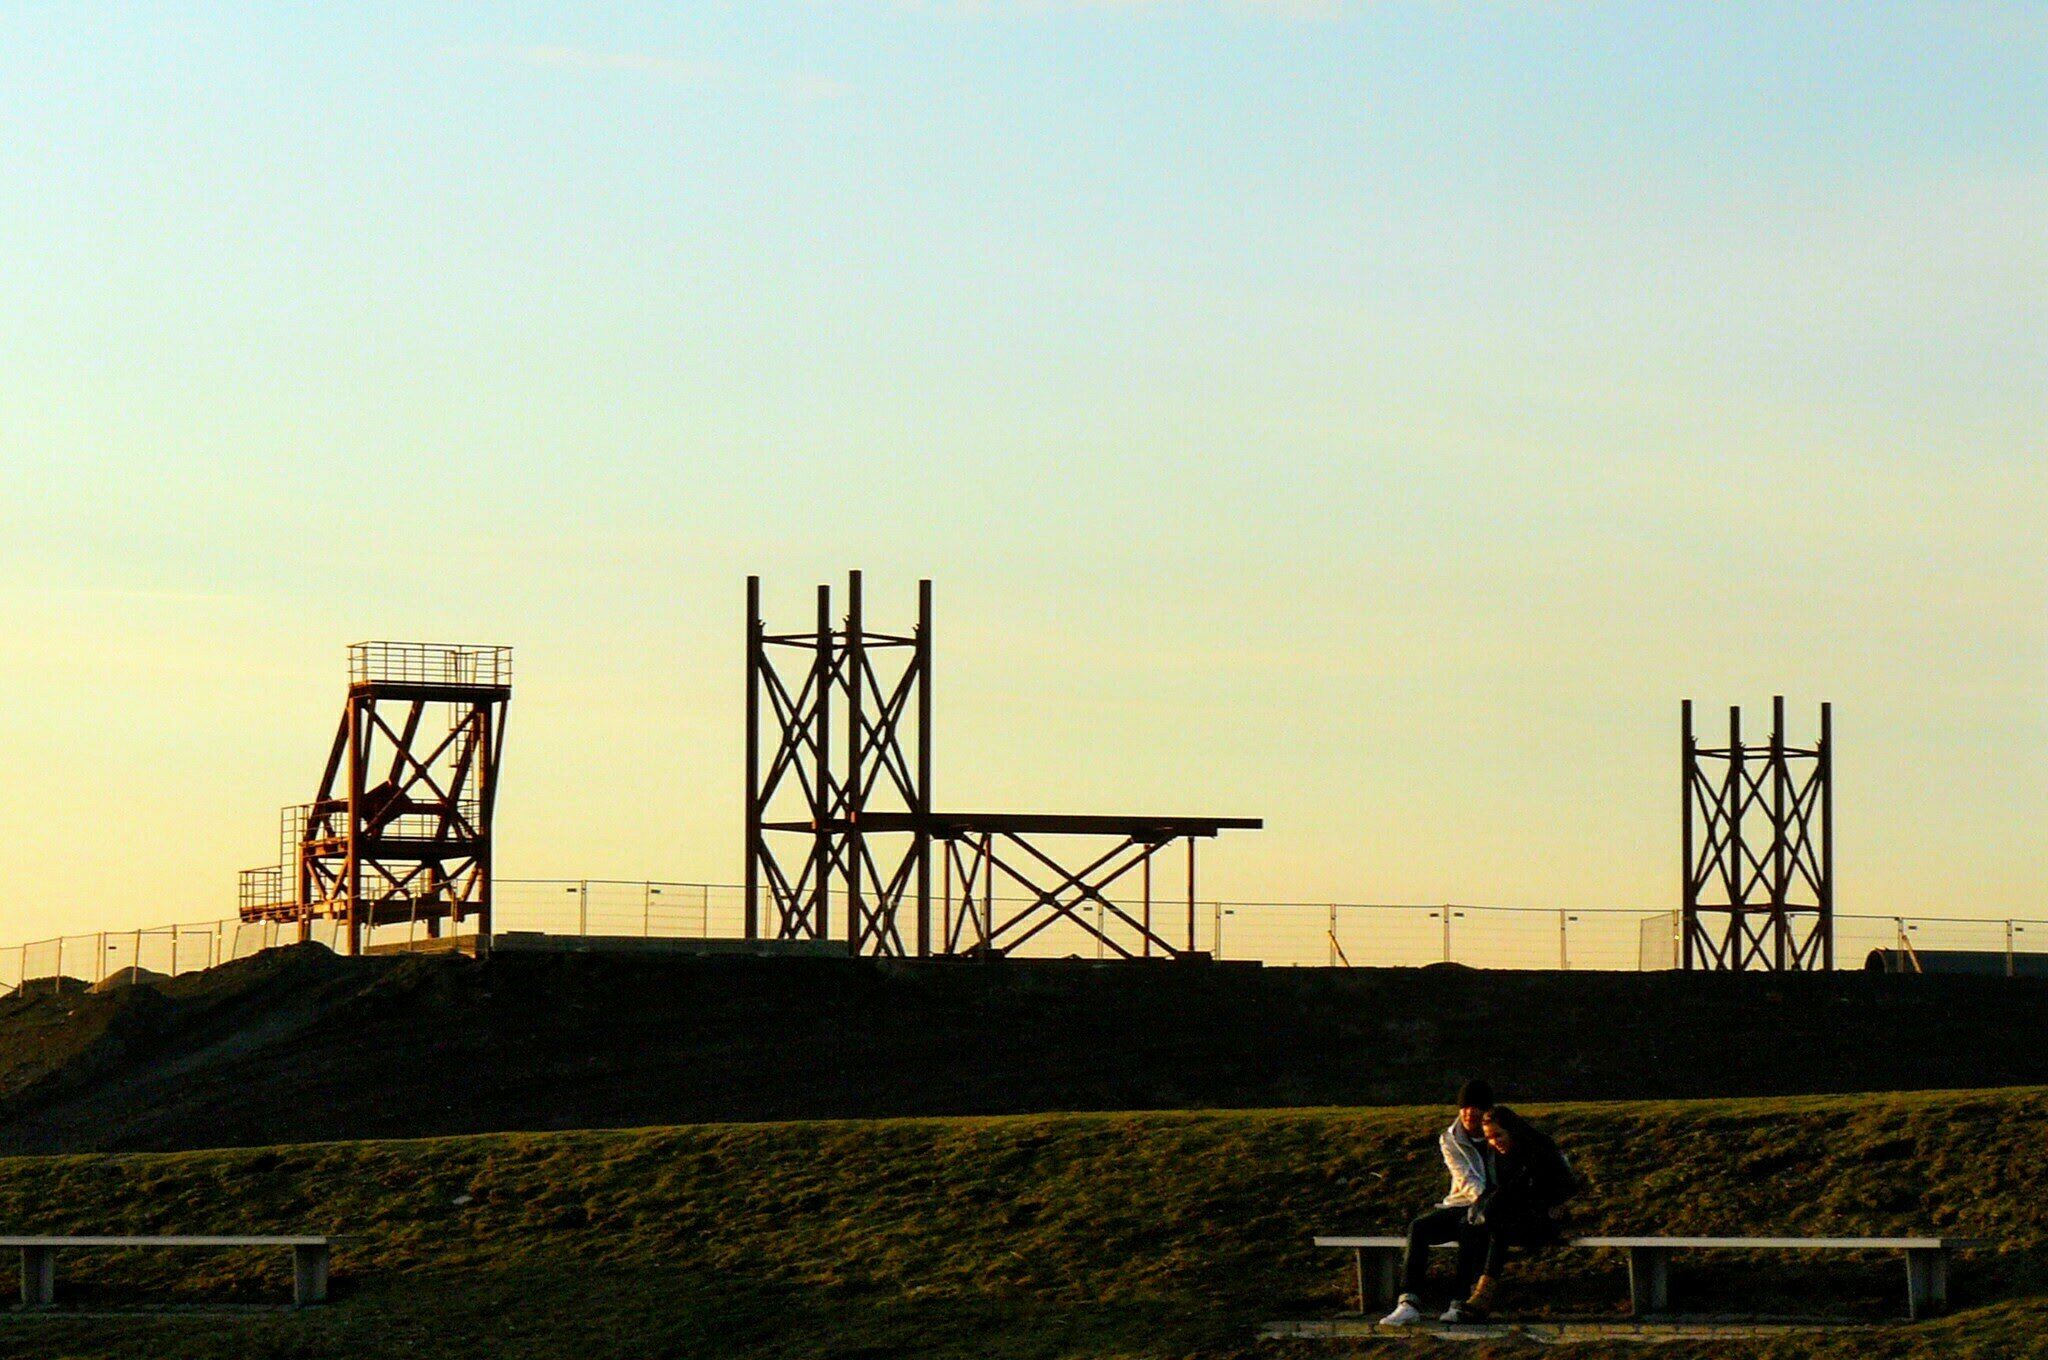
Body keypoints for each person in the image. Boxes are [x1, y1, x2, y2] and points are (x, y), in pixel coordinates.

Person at [1441, 1104, 1578, 1323]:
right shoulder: (1497, 1156)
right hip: (1514, 1217)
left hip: (1543, 1219)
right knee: (1472, 1228)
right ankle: (1468, 1295)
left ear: (1512, 1131)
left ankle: (1480, 1297)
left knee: (1498, 1229)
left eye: (1498, 1135)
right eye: (1489, 1137)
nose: (1494, 1141)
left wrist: (1551, 1203)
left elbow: (1566, 1185)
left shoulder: (1539, 1150)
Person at [1378, 1078, 1496, 1326]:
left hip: (1495, 1206)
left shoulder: (1498, 1134)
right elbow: (1464, 1177)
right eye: (1465, 1107)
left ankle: (1460, 1301)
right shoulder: (1450, 1139)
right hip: (1463, 1202)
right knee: (1419, 1227)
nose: (1469, 1113)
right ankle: (1408, 1303)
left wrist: (1492, 1204)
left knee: (1468, 1228)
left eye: (1476, 1107)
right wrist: (1482, 1201)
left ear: (1487, 1110)